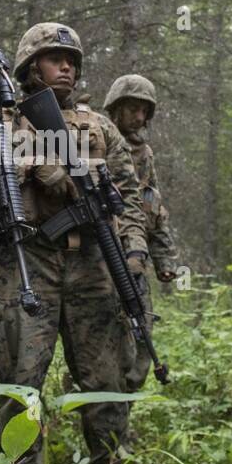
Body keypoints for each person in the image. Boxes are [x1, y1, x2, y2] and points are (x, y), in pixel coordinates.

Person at [0, 23, 148, 464]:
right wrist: (35, 163)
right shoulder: (4, 124)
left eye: (72, 60)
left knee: (104, 380)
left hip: (94, 264)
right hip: (29, 261)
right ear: (29, 67)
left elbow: (130, 195)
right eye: (55, 58)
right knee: (22, 385)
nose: (66, 67)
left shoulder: (101, 127)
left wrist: (135, 253)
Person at [103, 73, 181, 395]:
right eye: (132, 109)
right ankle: (99, 417)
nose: (139, 117)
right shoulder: (95, 139)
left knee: (140, 342)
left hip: (135, 260)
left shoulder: (144, 154)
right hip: (100, 260)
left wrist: (164, 256)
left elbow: (153, 205)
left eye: (143, 111)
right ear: (116, 108)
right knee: (102, 349)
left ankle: (120, 423)